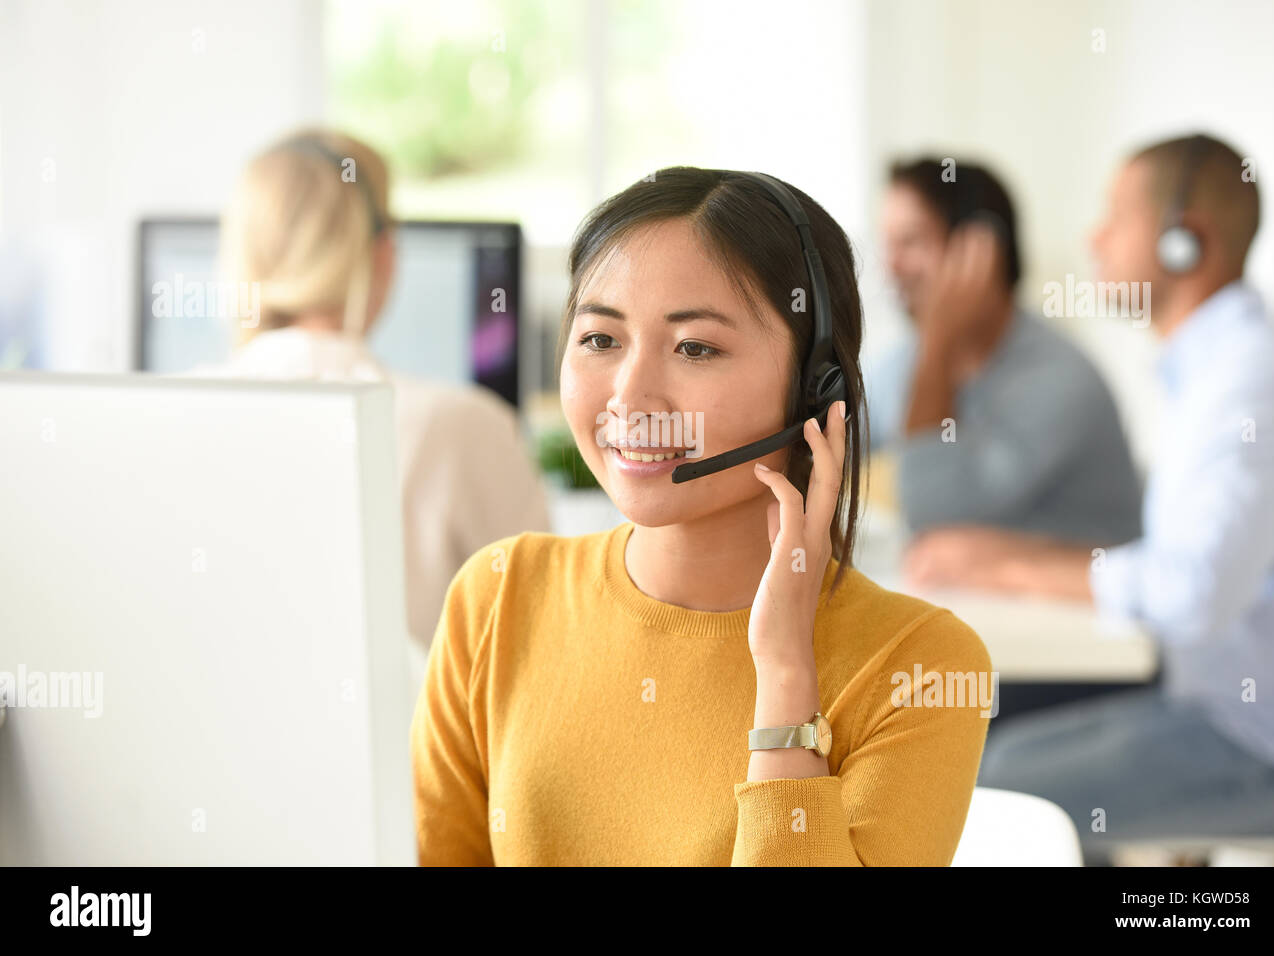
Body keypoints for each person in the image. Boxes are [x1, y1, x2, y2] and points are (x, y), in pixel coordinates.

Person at [410, 166, 994, 866]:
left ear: (815, 389)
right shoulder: (496, 597)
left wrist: (785, 677)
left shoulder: (922, 667)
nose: (631, 397)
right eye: (600, 338)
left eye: (695, 347)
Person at [904, 133, 1274, 863]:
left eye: (1116, 216)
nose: (1094, 235)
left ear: (1186, 240)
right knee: (968, 742)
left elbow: (1191, 592)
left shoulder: (1253, 384)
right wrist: (1009, 554)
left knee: (991, 788)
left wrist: (1007, 570)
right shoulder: (1212, 369)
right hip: (1202, 701)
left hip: (1266, 741)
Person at [199, 128, 551, 696]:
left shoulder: (173, 415)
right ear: (382, 252)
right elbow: (544, 639)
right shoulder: (462, 424)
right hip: (418, 777)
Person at [871, 158, 1142, 547]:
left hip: (1079, 606)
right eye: (887, 244)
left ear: (979, 252)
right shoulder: (900, 363)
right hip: (986, 603)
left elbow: (931, 510)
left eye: (910, 242)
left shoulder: (1059, 381)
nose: (890, 267)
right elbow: (825, 444)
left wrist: (937, 342)